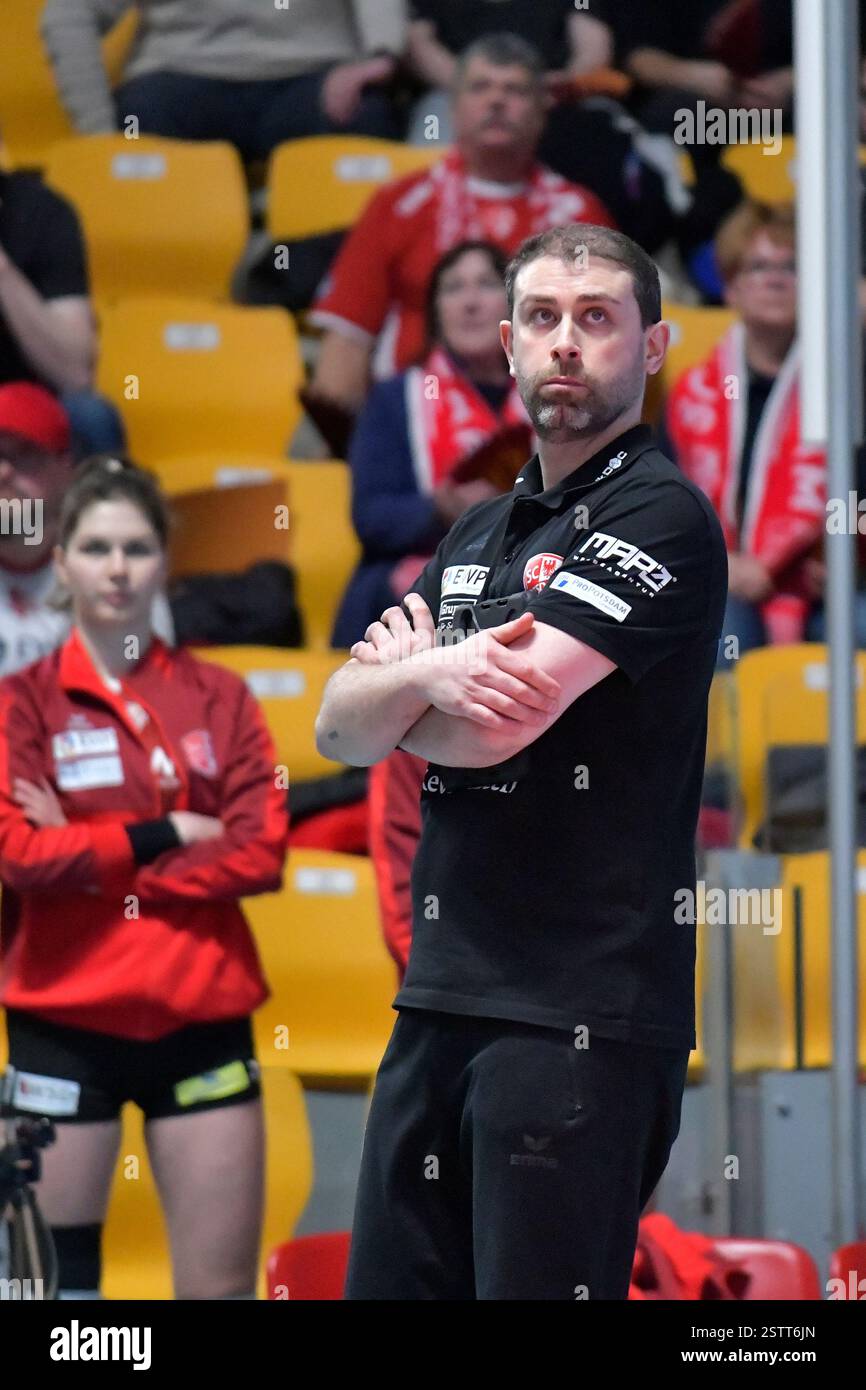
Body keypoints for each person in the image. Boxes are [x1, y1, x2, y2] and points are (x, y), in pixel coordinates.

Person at [315, 222, 729, 1300]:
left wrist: (407, 689)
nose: (564, 341)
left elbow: (491, 726)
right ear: (506, 343)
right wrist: (431, 680)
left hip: (576, 1013)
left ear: (651, 347)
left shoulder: (662, 515)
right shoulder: (476, 534)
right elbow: (335, 729)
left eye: (596, 318)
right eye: (541, 317)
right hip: (437, 997)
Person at [0, 457, 290, 1300]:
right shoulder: (21, 704)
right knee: (50, 1295)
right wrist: (164, 834)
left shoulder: (222, 697)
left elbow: (259, 853)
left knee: (220, 1292)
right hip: (61, 1020)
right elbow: (18, 858)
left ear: (165, 559)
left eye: (136, 547)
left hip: (200, 1015)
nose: (118, 569)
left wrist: (85, 854)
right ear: (62, 562)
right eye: (96, 548)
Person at [308, 33, 615, 413]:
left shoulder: (581, 216)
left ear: (541, 112)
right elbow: (346, 342)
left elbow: (612, 347)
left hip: (548, 424)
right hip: (416, 420)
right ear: (452, 108)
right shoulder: (399, 205)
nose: (497, 100)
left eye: (515, 90)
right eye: (480, 87)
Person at [332, 240, 530, 648]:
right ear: (436, 311)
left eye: (486, 284)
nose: (470, 302)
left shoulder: (549, 397)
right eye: (453, 288)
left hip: (528, 572)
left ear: (514, 308)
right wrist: (440, 508)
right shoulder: (396, 398)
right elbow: (370, 518)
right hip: (412, 586)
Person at [663, 202, 828, 661]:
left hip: (819, 586)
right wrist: (722, 566)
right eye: (758, 267)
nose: (775, 280)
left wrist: (841, 559)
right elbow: (664, 505)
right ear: (732, 288)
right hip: (714, 576)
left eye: (790, 267)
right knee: (724, 632)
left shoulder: (845, 391)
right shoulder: (692, 394)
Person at [41, 0, 408, 156]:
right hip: (182, 78)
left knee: (368, 118)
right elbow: (68, 14)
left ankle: (292, 275)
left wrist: (379, 55)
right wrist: (100, 135)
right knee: (135, 125)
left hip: (310, 77)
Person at [0, 385, 172, 676]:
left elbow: (145, 693)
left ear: (65, 467)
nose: (3, 472)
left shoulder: (119, 574)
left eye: (24, 455)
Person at [0, 149, 125, 460]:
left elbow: (74, 373)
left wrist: (3, 272)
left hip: (27, 402)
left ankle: (100, 493)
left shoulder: (40, 212)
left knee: (89, 416)